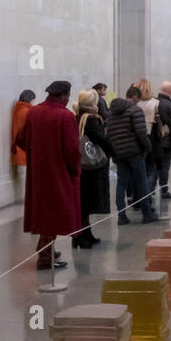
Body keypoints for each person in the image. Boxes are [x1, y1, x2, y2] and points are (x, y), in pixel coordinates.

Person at [14, 81, 80, 270]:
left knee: (45, 213)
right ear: (64, 96)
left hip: (38, 173)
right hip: (59, 173)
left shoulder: (33, 112)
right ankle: (44, 256)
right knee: (56, 213)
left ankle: (46, 249)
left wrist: (37, 153)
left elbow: (20, 139)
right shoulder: (65, 116)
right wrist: (75, 169)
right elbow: (71, 150)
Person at [105, 86, 159, 224]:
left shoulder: (111, 113)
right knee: (141, 181)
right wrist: (147, 147)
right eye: (138, 99)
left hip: (119, 153)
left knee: (121, 183)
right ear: (134, 97)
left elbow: (109, 135)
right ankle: (147, 214)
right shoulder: (135, 110)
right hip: (134, 152)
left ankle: (121, 217)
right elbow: (141, 132)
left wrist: (113, 152)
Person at [73, 88, 113, 248]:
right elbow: (101, 140)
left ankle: (85, 233)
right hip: (90, 168)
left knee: (84, 204)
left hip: (82, 166)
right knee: (86, 203)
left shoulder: (77, 117)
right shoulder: (91, 119)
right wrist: (113, 152)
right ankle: (80, 236)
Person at [135, 78, 161, 205]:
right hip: (151, 138)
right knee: (151, 169)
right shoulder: (155, 102)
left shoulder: (135, 104)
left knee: (140, 170)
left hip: (137, 138)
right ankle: (147, 196)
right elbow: (159, 123)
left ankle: (139, 197)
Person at [155, 81, 171, 199]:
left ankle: (150, 191)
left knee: (154, 167)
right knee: (165, 166)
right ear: (170, 91)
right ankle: (164, 190)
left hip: (154, 141)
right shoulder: (170, 105)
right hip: (166, 142)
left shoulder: (154, 102)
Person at [11, 90, 35, 168]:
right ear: (30, 99)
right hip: (25, 147)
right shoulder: (27, 111)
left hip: (17, 146)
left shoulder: (17, 109)